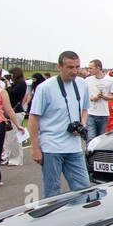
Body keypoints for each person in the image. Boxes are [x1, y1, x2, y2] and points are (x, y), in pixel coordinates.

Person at [28, 51, 91, 198]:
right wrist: (35, 148)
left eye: (77, 67)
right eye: (70, 67)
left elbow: (85, 109)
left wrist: (82, 123)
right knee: (52, 190)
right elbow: (33, 118)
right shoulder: (45, 88)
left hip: (74, 147)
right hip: (52, 147)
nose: (74, 71)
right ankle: (52, 219)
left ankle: (79, 217)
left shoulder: (82, 84)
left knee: (84, 189)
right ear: (59, 67)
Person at [83, 60, 113, 142]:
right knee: (91, 137)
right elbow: (84, 96)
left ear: (98, 68)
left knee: (101, 139)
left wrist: (104, 97)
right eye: (88, 68)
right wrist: (93, 98)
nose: (89, 70)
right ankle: (89, 153)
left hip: (104, 113)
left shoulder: (110, 80)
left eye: (91, 68)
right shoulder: (87, 80)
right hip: (91, 112)